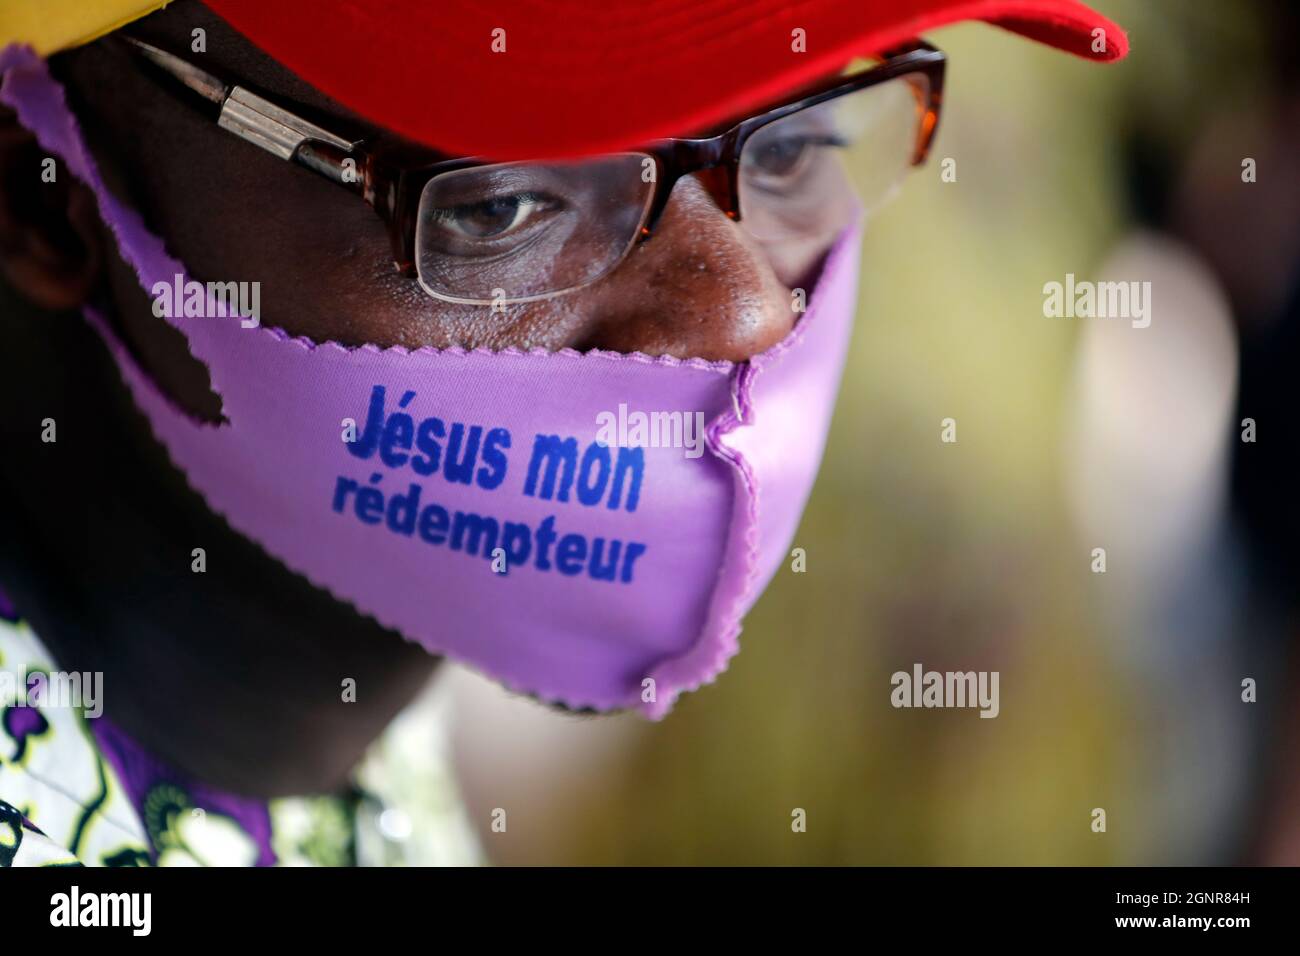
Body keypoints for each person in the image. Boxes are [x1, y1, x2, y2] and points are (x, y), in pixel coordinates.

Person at [0, 0, 1126, 866]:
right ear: (42, 195)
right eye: (504, 204)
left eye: (791, 148)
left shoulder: (320, 745)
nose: (747, 311)